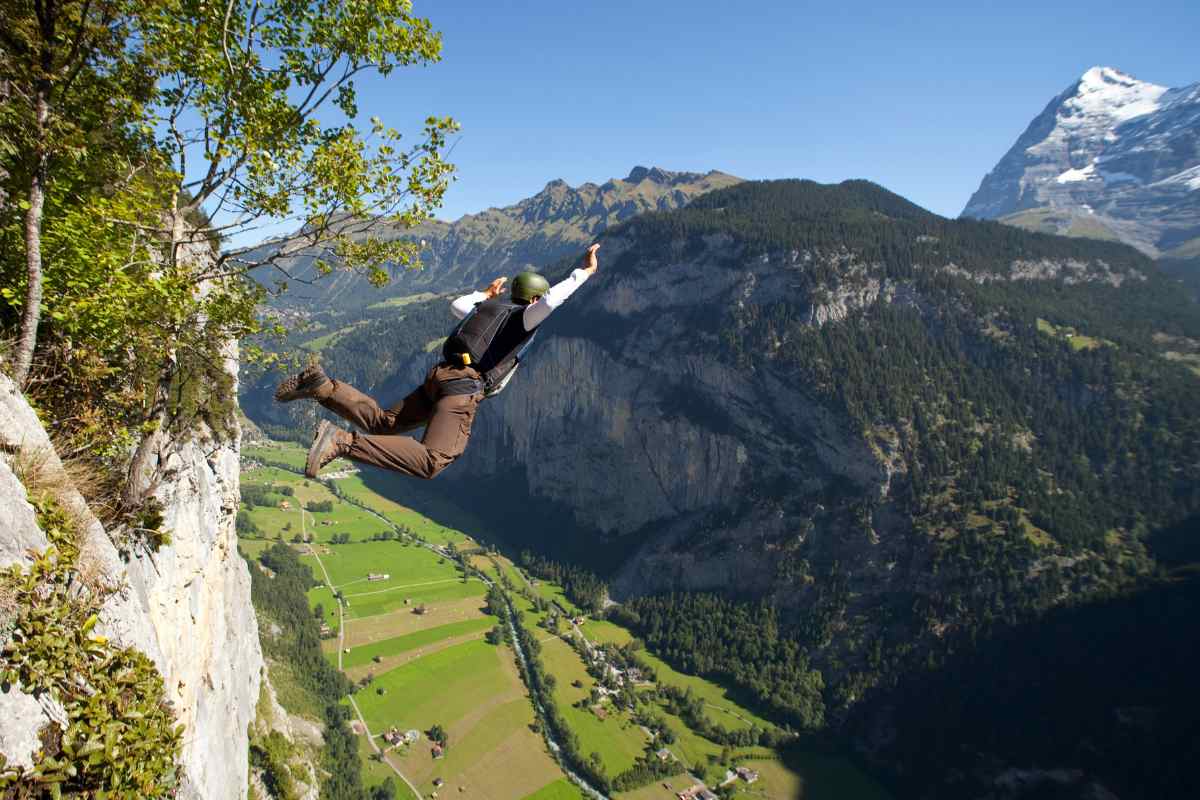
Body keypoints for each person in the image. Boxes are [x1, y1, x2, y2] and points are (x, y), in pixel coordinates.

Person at [275, 243, 600, 479]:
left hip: (439, 377)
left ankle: (323, 387)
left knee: (385, 423)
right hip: (461, 389)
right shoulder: (524, 318)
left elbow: (457, 306)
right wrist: (584, 272)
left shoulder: (487, 308)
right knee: (433, 460)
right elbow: (552, 300)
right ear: (532, 298)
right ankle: (342, 442)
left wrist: (484, 295)